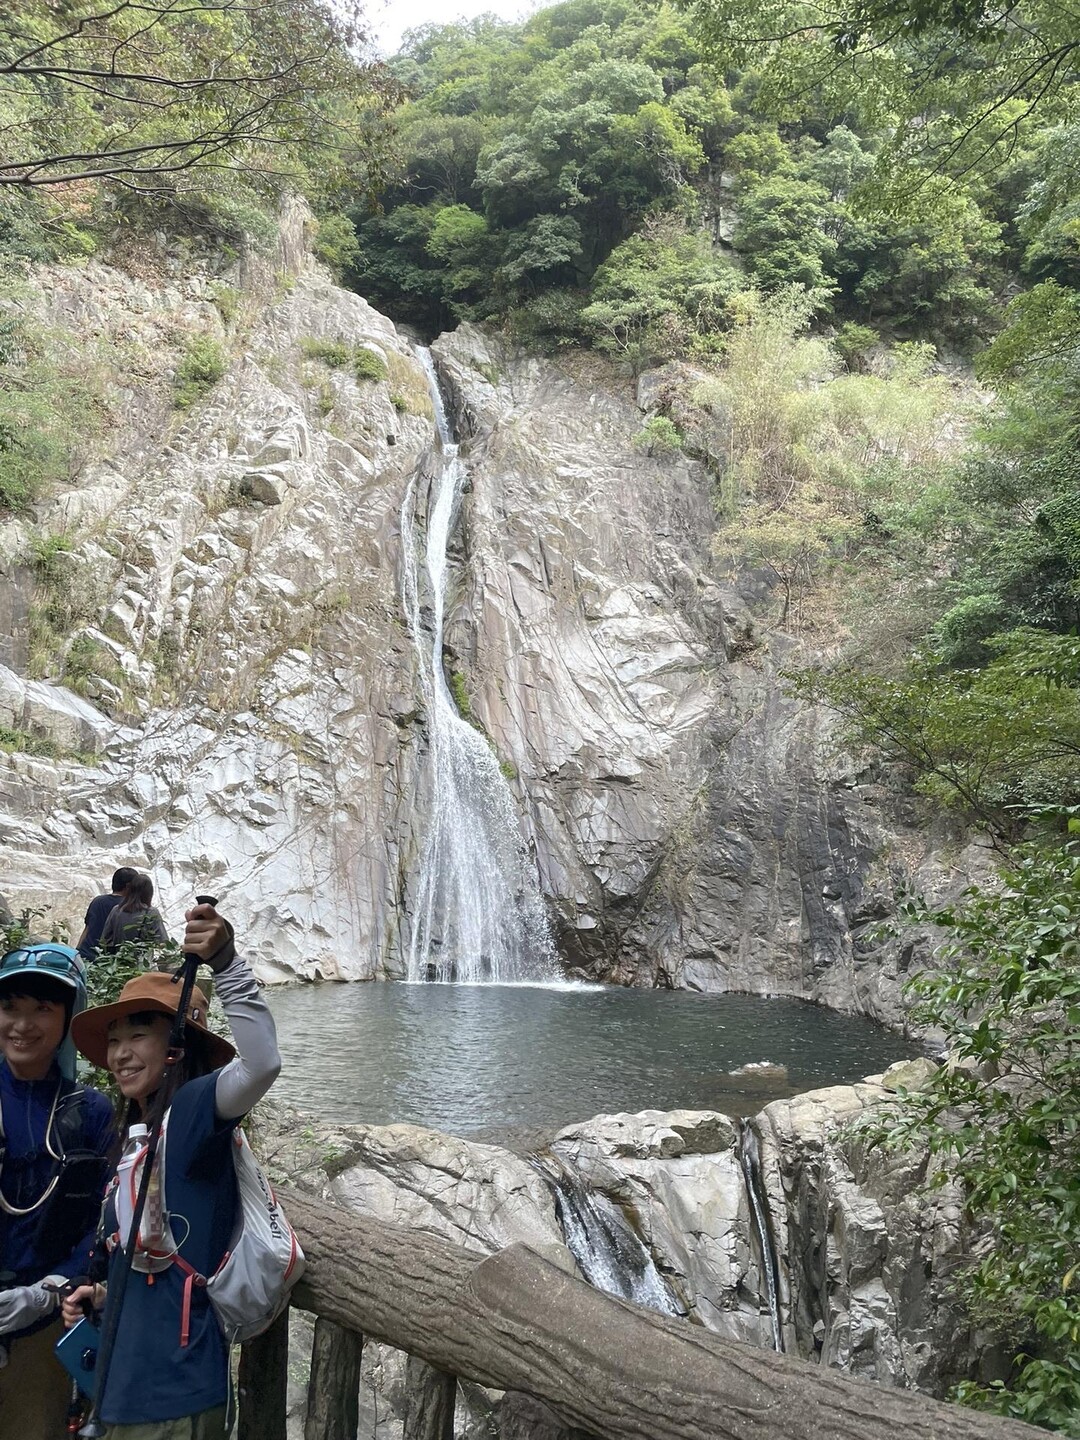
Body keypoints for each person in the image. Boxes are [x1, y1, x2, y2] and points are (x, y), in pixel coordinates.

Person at [63, 904, 280, 1439]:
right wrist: (106, 1294)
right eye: (114, 1039)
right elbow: (155, 1253)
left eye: (139, 1034)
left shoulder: (191, 1112)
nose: (120, 1053)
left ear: (178, 1046)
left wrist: (225, 961)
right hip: (124, 1387)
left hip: (174, 1393)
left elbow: (262, 1063)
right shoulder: (137, 1135)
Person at [0, 943, 114, 1440]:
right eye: (10, 1006)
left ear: (69, 1018)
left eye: (42, 1009)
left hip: (41, 1325)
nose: (22, 1024)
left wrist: (51, 1289)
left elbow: (102, 1219)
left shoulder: (90, 1112)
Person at [77, 868, 140, 964]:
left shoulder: (97, 901)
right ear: (128, 886)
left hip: (85, 957)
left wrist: (76, 952)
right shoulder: (129, 908)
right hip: (109, 963)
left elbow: (87, 930)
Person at [97, 873, 169, 955]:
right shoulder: (151, 912)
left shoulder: (116, 910)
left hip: (118, 962)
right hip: (143, 965)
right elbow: (163, 944)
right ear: (149, 893)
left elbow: (104, 941)